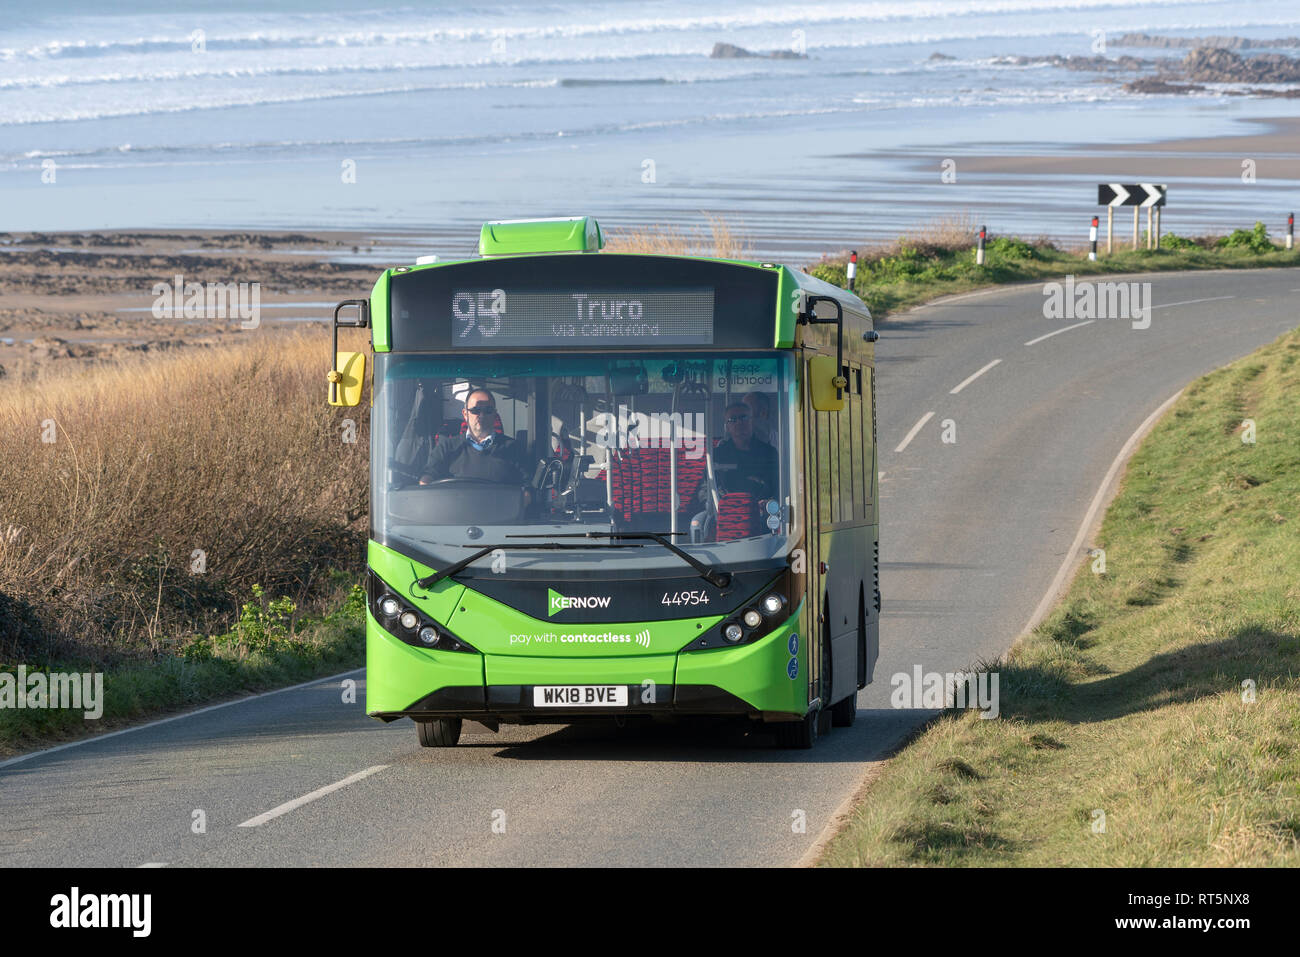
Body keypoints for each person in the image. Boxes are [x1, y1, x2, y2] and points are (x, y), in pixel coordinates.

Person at [419, 388, 529, 486]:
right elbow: (427, 478)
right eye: (475, 410)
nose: (482, 415)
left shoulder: (514, 448)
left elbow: (527, 491)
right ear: (465, 414)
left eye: (488, 411)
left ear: (495, 414)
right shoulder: (446, 447)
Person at [711, 401, 778, 505]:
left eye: (744, 418)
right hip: (726, 513)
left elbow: (780, 487)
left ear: (752, 422)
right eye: (733, 419)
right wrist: (721, 504)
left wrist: (769, 502)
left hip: (761, 514)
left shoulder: (769, 453)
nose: (739, 423)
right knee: (696, 521)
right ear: (727, 427)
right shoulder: (717, 455)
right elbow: (705, 489)